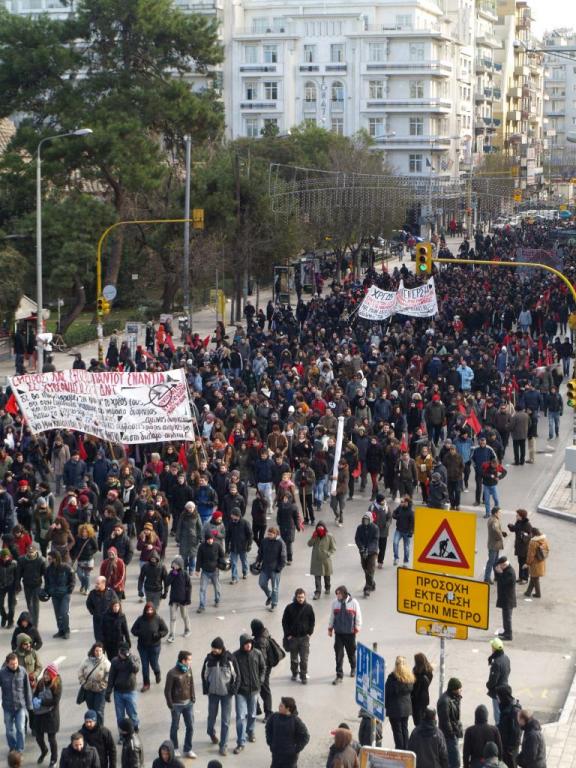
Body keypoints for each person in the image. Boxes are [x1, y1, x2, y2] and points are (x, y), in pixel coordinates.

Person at [201, 636, 239, 757]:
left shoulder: (229, 659)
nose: (214, 650)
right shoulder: (209, 659)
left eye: (216, 648)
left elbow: (237, 676)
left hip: (226, 695)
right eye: (212, 648)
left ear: (221, 648)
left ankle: (223, 746)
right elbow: (204, 675)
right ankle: (211, 732)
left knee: (225, 721)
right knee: (211, 717)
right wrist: (206, 688)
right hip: (213, 694)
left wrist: (233, 690)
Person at [232, 633, 266, 754]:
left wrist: (260, 680)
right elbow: (232, 673)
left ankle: (250, 731)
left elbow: (263, 668)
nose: (249, 645)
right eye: (246, 644)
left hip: (254, 690)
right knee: (240, 717)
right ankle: (241, 742)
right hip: (240, 691)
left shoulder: (257, 653)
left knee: (252, 714)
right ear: (242, 644)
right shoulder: (235, 656)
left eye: (250, 643)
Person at [164, 650, 197, 760]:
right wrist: (171, 705)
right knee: (175, 727)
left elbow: (191, 684)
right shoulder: (172, 673)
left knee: (190, 726)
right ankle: (175, 748)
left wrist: (193, 697)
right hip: (176, 705)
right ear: (183, 660)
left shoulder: (189, 669)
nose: (190, 662)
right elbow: (167, 691)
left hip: (188, 704)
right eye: (189, 660)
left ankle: (188, 749)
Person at [131, 602, 168, 692]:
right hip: (142, 647)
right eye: (147, 610)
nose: (149, 611)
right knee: (144, 666)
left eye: (151, 609)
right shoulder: (140, 619)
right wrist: (140, 633)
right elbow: (133, 630)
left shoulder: (158, 619)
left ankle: (157, 672)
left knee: (154, 663)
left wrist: (159, 634)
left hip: (154, 646)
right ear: (145, 610)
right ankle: (146, 684)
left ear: (154, 610)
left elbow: (165, 630)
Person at [0, 651, 33, 755]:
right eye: (12, 664)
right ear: (7, 663)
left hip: (20, 706)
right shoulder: (2, 673)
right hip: (7, 707)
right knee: (9, 731)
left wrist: (29, 705)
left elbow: (27, 689)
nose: (14, 666)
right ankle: (12, 747)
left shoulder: (23, 671)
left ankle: (20, 750)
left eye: (16, 663)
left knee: (20, 729)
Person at [328, 585, 362, 685]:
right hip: (338, 633)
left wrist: (356, 629)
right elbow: (332, 616)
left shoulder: (354, 603)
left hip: (350, 634)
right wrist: (330, 628)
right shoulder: (335, 603)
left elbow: (358, 617)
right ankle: (339, 675)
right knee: (338, 654)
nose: (337, 596)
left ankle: (353, 667)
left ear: (344, 594)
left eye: (339, 594)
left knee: (351, 652)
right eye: (336, 594)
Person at [281, 588, 315, 684]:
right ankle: (294, 672)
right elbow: (284, 622)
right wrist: (288, 635)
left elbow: (312, 621)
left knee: (304, 658)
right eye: (299, 597)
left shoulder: (308, 608)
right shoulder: (289, 608)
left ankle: (303, 675)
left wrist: (309, 633)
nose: (301, 599)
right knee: (294, 659)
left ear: (305, 597)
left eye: (302, 597)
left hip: (304, 638)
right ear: (296, 597)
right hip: (293, 638)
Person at [265, 696, 310, 768]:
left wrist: (295, 749)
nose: (279, 707)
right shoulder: (274, 717)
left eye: (281, 706)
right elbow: (268, 728)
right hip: (276, 754)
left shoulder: (295, 721)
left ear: (288, 708)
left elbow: (305, 736)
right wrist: (270, 742)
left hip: (290, 758)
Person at [105, 642, 140, 734]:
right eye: (121, 651)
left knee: (132, 713)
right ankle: (122, 734)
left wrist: (129, 659)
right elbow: (111, 676)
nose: (122, 654)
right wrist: (108, 691)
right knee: (120, 716)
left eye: (124, 651)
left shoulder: (134, 658)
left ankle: (134, 728)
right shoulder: (115, 661)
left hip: (130, 691)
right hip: (118, 692)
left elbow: (136, 669)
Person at [32, 662, 61, 767]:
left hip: (51, 716)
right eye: (45, 674)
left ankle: (54, 760)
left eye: (48, 675)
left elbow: (55, 701)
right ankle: (44, 750)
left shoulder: (57, 684)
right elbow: (35, 693)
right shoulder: (41, 682)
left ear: (53, 676)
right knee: (38, 737)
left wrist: (41, 702)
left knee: (51, 739)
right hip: (40, 714)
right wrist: (34, 699)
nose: (46, 676)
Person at [44, 550, 75, 639]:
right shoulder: (48, 570)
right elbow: (47, 583)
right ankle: (60, 631)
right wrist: (47, 592)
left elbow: (72, 578)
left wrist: (70, 589)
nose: (48, 560)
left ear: (55, 558)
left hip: (65, 594)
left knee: (64, 613)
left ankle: (66, 630)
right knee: (58, 614)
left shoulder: (66, 567)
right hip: (54, 595)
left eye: (50, 558)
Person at [78, 643, 111, 727]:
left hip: (100, 690)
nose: (98, 652)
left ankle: (100, 728)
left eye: (100, 651)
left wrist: (104, 684)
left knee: (99, 711)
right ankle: (92, 726)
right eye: (96, 650)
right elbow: (80, 672)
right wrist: (83, 683)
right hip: (88, 689)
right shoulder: (86, 660)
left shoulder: (105, 662)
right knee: (91, 710)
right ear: (93, 651)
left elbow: (109, 674)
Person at [385, 655, 414, 749]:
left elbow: (387, 693)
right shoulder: (409, 677)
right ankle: (406, 748)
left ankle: (400, 749)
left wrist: (386, 706)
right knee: (404, 729)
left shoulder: (392, 678)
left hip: (395, 709)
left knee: (397, 731)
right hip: (406, 708)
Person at [16, 543, 45, 628]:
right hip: (27, 584)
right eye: (29, 552)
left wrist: (46, 587)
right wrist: (18, 584)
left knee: (35, 604)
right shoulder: (22, 560)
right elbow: (18, 573)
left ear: (36, 551)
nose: (30, 554)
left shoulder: (41, 560)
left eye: (32, 552)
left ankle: (35, 624)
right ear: (26, 552)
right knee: (29, 604)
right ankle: (32, 619)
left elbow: (45, 573)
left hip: (37, 585)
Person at [257, 527, 287, 612]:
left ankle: (274, 603)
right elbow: (260, 552)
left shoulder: (281, 543)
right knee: (262, 583)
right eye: (268, 534)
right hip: (265, 568)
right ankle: (269, 595)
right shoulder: (264, 541)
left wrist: (279, 568)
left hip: (275, 570)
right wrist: (258, 561)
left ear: (275, 534)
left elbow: (283, 558)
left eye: (271, 534)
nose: (269, 536)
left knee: (275, 588)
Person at [437, 678, 463, 768]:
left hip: (453, 733)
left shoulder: (454, 697)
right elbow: (445, 720)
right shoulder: (445, 701)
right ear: (454, 689)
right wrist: (452, 733)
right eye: (459, 688)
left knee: (454, 760)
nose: (461, 690)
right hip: (449, 736)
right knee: (454, 761)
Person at [307, 521, 336, 599]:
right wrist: (313, 537)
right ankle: (318, 592)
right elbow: (309, 544)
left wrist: (328, 554)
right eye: (318, 528)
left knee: (327, 575)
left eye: (321, 528)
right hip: (316, 560)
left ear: (324, 528)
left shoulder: (329, 536)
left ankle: (327, 587)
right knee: (317, 576)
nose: (320, 529)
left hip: (325, 560)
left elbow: (333, 548)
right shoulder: (315, 535)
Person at [195, 535, 223, 614]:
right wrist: (197, 570)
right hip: (205, 572)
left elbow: (222, 555)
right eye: (209, 539)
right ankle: (201, 606)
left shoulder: (217, 546)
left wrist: (222, 564)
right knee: (202, 589)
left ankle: (217, 600)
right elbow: (199, 559)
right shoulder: (201, 547)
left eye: (211, 539)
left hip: (215, 571)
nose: (210, 541)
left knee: (217, 587)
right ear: (206, 540)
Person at [496, 686, 522, 768]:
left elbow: (517, 732)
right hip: (505, 746)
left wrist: (510, 749)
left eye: (498, 697)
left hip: (510, 750)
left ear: (503, 696)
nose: (497, 699)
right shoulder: (504, 706)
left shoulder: (514, 711)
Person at [86, 576, 118, 642]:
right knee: (99, 641)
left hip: (109, 622)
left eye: (98, 583)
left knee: (110, 641)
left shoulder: (111, 592)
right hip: (98, 622)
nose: (96, 585)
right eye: (96, 583)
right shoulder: (92, 593)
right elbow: (88, 604)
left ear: (103, 584)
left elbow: (116, 604)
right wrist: (94, 612)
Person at [354, 512, 379, 597]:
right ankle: (372, 583)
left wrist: (368, 549)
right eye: (364, 520)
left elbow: (375, 541)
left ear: (371, 519)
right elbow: (357, 538)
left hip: (372, 552)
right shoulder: (359, 528)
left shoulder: (375, 528)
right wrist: (361, 547)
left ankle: (367, 588)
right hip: (362, 551)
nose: (365, 521)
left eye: (367, 520)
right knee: (365, 568)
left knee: (370, 568)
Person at [166, 556, 192, 635]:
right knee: (172, 618)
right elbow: (167, 583)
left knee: (184, 616)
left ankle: (187, 630)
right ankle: (171, 634)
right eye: (174, 564)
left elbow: (189, 587)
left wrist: (188, 599)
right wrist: (172, 575)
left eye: (176, 564)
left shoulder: (184, 574)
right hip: (173, 600)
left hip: (182, 600)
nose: (175, 566)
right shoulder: (171, 573)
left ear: (180, 565)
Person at [487, 639, 510, 725]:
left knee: (497, 714)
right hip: (505, 687)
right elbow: (509, 670)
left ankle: (499, 731)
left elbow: (493, 680)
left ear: (494, 648)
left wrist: (488, 685)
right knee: (502, 710)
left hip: (497, 691)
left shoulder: (496, 663)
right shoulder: (506, 658)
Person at [226, 509, 253, 583]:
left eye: (232, 514)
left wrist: (249, 544)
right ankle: (234, 577)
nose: (231, 515)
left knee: (244, 560)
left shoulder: (245, 523)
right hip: (233, 546)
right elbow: (227, 536)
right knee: (233, 562)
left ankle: (245, 572)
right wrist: (226, 547)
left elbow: (250, 534)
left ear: (237, 515)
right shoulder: (230, 523)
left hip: (243, 546)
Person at [507, 510, 532, 584]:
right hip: (518, 547)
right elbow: (515, 529)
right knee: (520, 562)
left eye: (517, 515)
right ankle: (520, 577)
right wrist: (511, 527)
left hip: (524, 547)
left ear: (521, 516)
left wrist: (523, 536)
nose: (516, 516)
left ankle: (525, 578)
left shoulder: (527, 524)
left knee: (524, 563)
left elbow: (530, 535)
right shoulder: (518, 522)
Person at [494, 557, 516, 642]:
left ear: (504, 564)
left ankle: (508, 635)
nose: (499, 567)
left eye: (500, 566)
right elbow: (498, 580)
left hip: (508, 599)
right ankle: (505, 631)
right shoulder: (506, 570)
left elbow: (503, 582)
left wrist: (499, 573)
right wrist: (498, 572)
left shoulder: (510, 572)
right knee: (505, 617)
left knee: (507, 618)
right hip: (505, 598)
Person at [101, 599, 130, 663]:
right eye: (114, 606)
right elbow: (102, 630)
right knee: (111, 660)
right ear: (111, 607)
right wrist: (102, 644)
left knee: (120, 660)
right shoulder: (105, 616)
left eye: (117, 606)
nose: (116, 608)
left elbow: (125, 630)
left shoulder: (122, 616)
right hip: (109, 643)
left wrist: (128, 642)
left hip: (119, 642)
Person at [524, 528, 550, 599]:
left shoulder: (533, 542)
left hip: (535, 563)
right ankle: (528, 592)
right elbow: (547, 549)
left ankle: (538, 593)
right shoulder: (544, 539)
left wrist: (527, 563)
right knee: (534, 577)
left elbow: (530, 554)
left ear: (533, 533)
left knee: (535, 578)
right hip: (541, 561)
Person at [484, 508, 507, 584]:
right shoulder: (494, 520)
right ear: (495, 513)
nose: (500, 513)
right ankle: (487, 578)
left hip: (493, 544)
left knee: (495, 562)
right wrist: (500, 536)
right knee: (491, 562)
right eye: (499, 512)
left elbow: (496, 529)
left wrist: (501, 532)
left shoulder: (492, 518)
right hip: (494, 545)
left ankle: (496, 576)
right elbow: (495, 529)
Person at [369, 494, 391, 568]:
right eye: (383, 500)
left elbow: (389, 518)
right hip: (373, 532)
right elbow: (368, 516)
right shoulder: (372, 507)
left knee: (382, 548)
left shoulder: (386, 508)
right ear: (379, 501)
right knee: (373, 547)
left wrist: (387, 524)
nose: (384, 501)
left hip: (383, 532)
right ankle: (372, 560)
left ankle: (380, 562)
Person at [412, 652, 434, 726]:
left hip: (416, 699)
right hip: (425, 698)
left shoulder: (417, 672)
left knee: (417, 721)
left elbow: (414, 687)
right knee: (422, 719)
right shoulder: (429, 671)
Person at [392, 496, 414, 566]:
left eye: (402, 502)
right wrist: (396, 516)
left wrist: (411, 532)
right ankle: (396, 558)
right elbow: (394, 513)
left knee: (406, 547)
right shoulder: (400, 508)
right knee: (395, 543)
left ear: (406, 502)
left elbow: (412, 523)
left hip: (406, 532)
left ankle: (406, 561)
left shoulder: (411, 512)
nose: (401, 503)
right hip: (398, 530)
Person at [0, 547, 18, 629]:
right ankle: (4, 616)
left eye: (6, 557)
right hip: (1, 586)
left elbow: (17, 575)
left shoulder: (14, 563)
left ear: (9, 556)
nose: (5, 559)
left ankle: (10, 621)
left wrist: (17, 585)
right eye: (3, 557)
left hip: (11, 586)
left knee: (11, 605)